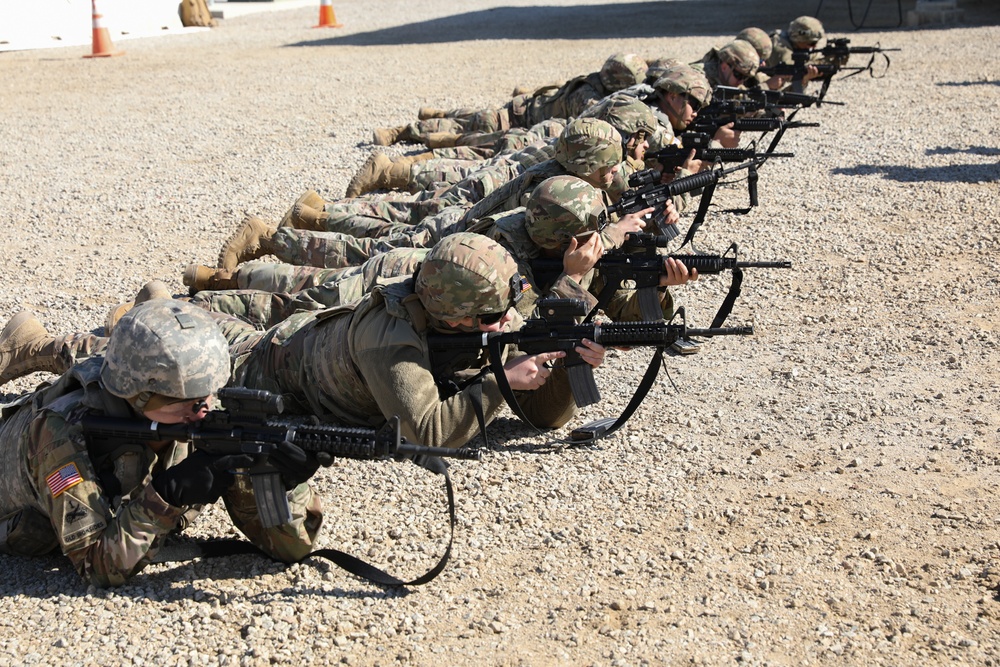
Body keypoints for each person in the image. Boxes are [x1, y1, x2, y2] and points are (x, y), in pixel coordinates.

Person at [0, 300, 322, 587]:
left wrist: (285, 484)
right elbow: (95, 566)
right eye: (187, 401)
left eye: (209, 394)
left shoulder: (197, 413)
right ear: (139, 396)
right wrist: (166, 497)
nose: (205, 410)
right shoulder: (61, 434)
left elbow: (291, 547)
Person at [223, 233, 607, 449]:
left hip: (312, 342)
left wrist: (567, 370)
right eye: (494, 316)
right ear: (456, 318)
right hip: (264, 363)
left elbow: (542, 417)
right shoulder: (389, 334)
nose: (508, 319)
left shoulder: (482, 317)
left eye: (508, 307)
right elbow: (427, 434)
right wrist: (499, 380)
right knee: (198, 346)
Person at [370, 53, 648, 147]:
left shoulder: (600, 81)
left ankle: (439, 112)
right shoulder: (589, 96)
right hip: (520, 115)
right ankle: (404, 131)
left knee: (476, 115)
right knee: (474, 123)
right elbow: (594, 122)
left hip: (531, 107)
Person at [764, 16, 827, 91]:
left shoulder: (800, 45)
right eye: (811, 43)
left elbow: (819, 46)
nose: (813, 47)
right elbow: (793, 71)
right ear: (799, 39)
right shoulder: (780, 47)